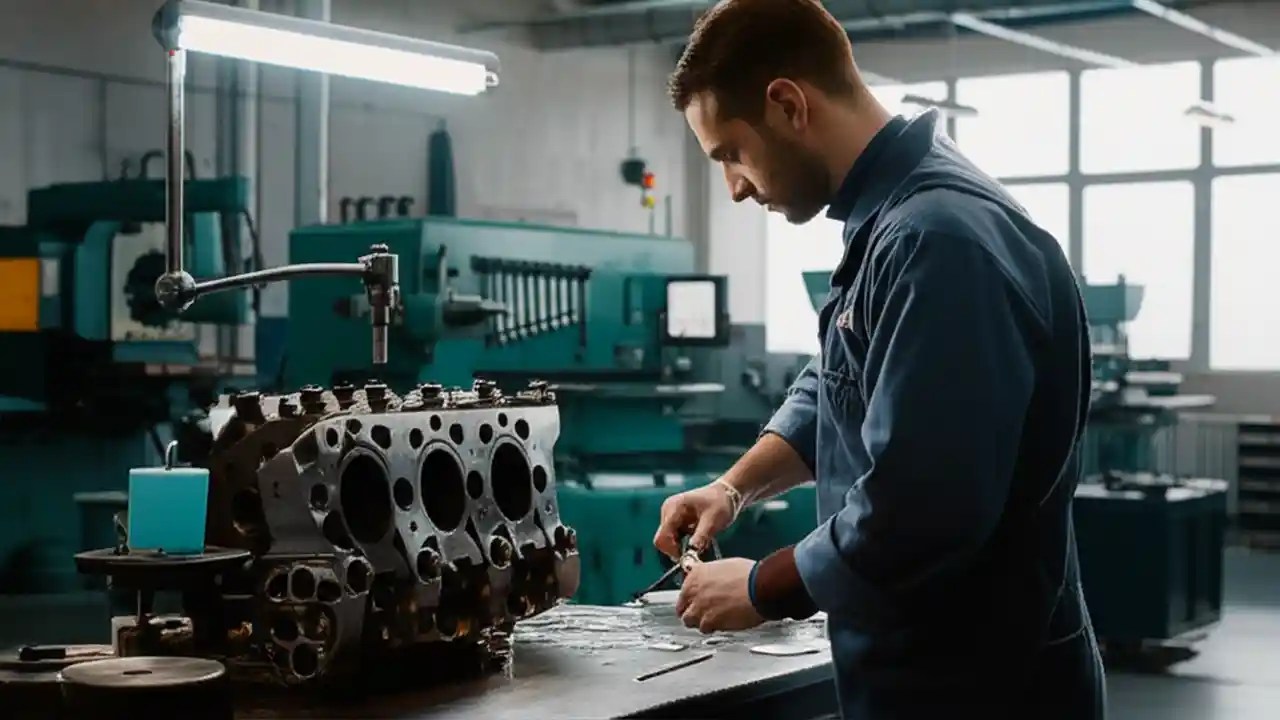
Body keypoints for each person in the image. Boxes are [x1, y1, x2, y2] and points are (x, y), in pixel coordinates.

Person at [652, 1, 1106, 717]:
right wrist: (733, 489)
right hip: (923, 671)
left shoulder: (939, 240)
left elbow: (919, 511)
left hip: (981, 686)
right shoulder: (894, 221)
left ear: (787, 104)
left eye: (731, 153)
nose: (734, 186)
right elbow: (838, 382)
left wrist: (758, 587)